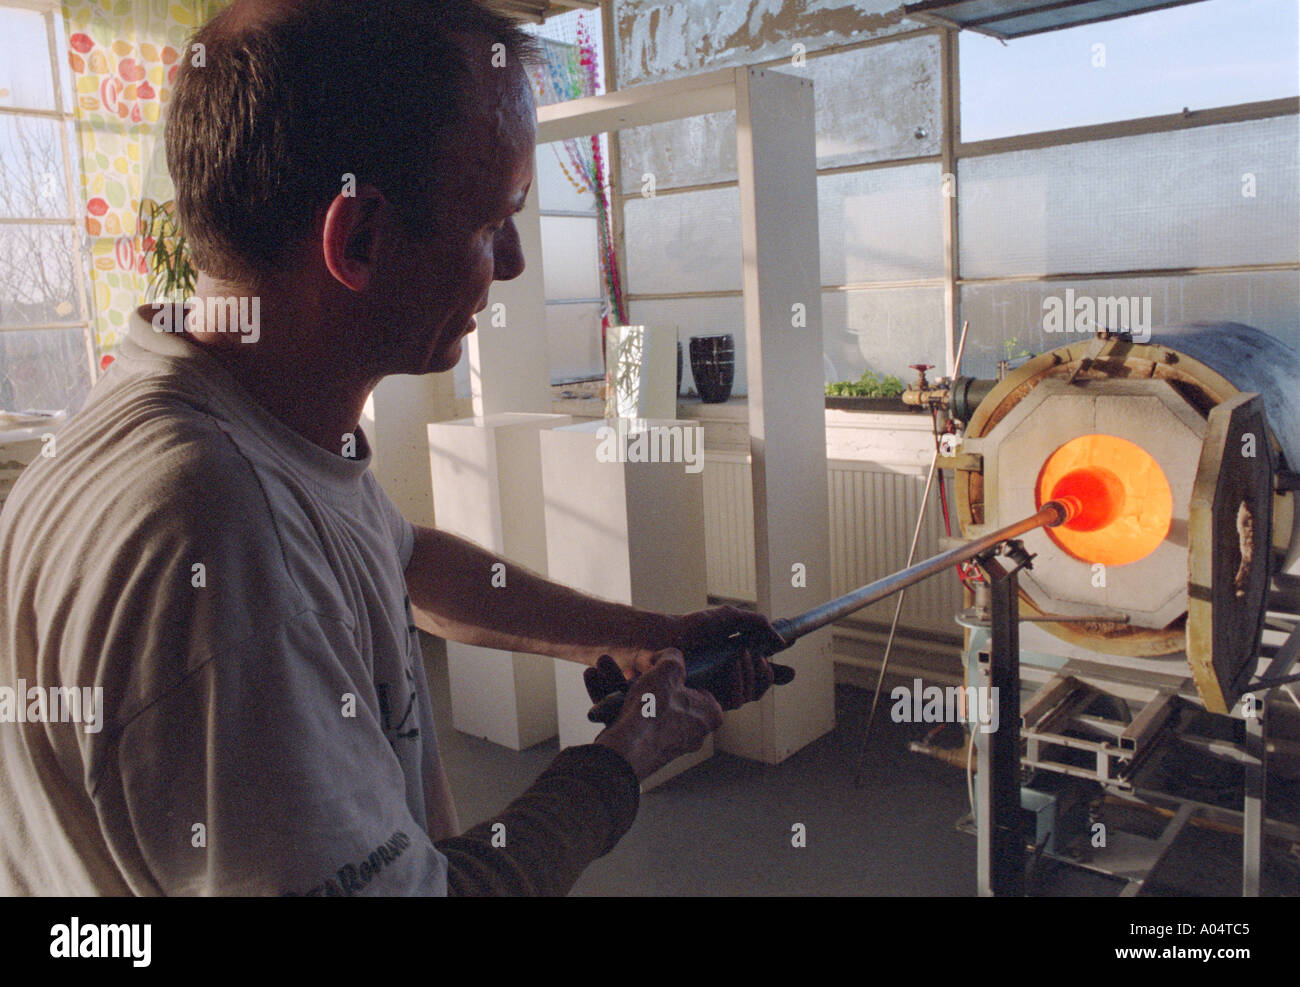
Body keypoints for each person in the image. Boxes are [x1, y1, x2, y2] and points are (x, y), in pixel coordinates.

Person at [0, 0, 785, 896]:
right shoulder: (221, 538)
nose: (517, 261)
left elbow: (400, 560)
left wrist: (653, 637)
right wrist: (619, 758)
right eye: (494, 222)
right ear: (359, 237)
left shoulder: (211, 410)